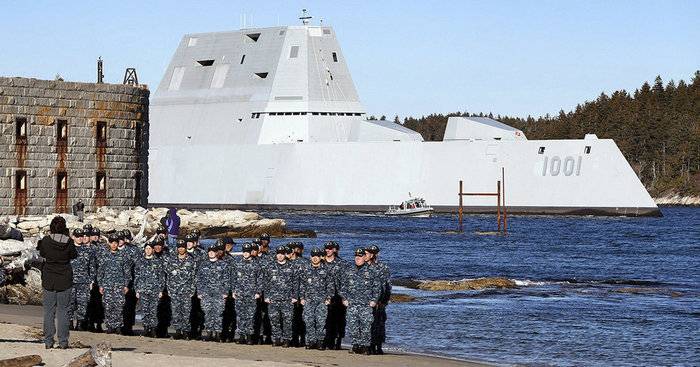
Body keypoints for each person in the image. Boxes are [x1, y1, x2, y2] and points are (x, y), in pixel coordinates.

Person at [37, 216, 78, 349]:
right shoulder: (69, 242)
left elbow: (42, 253)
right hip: (64, 278)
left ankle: (48, 341)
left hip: (49, 278)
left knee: (48, 311)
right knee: (63, 311)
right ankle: (63, 341)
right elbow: (73, 255)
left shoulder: (46, 241)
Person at [341, 248, 380, 355]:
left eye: (360, 256)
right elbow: (343, 286)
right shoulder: (349, 270)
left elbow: (377, 287)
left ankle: (365, 346)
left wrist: (374, 300)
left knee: (365, 326)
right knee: (353, 325)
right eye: (356, 256)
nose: (358, 258)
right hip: (352, 303)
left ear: (365, 257)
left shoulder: (372, 271)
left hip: (366, 304)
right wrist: (344, 298)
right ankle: (355, 345)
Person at [299, 247, 333, 350]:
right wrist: (301, 297)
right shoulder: (305, 269)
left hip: (322, 300)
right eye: (313, 256)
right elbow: (302, 285)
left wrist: (329, 298)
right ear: (310, 257)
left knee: (321, 322)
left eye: (317, 256)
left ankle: (320, 341)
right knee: (308, 321)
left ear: (321, 257)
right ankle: (311, 341)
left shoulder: (326, 270)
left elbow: (330, 285)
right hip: (308, 300)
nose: (315, 258)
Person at [264, 246, 297, 347]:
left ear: (285, 255)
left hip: (287, 299)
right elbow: (266, 282)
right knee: (274, 319)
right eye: (278, 253)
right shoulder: (270, 266)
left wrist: (295, 296)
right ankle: (276, 338)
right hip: (273, 298)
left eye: (282, 254)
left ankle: (287, 339)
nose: (280, 255)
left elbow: (296, 283)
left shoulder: (291, 266)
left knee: (287, 320)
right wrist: (266, 296)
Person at [97, 234, 129, 334]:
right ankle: (110, 326)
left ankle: (118, 326)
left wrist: (126, 285)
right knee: (108, 305)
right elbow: (100, 271)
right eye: (112, 243)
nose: (114, 245)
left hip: (119, 284)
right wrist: (100, 285)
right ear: (109, 243)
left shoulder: (123, 255)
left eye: (116, 243)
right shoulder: (105, 255)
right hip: (107, 284)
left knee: (119, 305)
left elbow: (127, 272)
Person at [196, 244, 229, 341]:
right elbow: (199, 280)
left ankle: (218, 333)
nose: (211, 253)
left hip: (219, 293)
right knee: (208, 312)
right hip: (206, 293)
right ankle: (209, 332)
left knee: (218, 313)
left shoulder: (223, 265)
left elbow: (226, 280)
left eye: (213, 251)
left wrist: (225, 292)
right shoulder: (203, 265)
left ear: (216, 253)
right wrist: (200, 292)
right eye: (209, 251)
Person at [165, 239, 197, 340]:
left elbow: (194, 277)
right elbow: (169, 276)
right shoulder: (172, 260)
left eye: (183, 247)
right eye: (179, 247)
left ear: (185, 248)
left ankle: (186, 332)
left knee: (186, 312)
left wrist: (192, 290)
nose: (181, 249)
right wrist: (169, 289)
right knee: (176, 311)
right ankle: (178, 331)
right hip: (174, 290)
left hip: (187, 291)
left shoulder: (191, 260)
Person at [134, 242, 165, 337]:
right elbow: (137, 276)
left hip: (155, 290)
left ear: (153, 250)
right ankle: (146, 328)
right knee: (145, 310)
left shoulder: (158, 261)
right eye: (146, 248)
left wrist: (161, 290)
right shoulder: (140, 261)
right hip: (143, 289)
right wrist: (137, 290)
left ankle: (153, 329)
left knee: (154, 311)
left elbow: (161, 277)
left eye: (149, 248)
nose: (148, 250)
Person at [233, 243, 260, 345]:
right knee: (240, 315)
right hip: (240, 293)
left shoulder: (256, 264)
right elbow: (234, 278)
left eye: (247, 252)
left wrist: (258, 292)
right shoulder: (238, 263)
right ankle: (241, 335)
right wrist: (234, 291)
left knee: (250, 315)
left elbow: (260, 279)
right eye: (244, 251)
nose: (245, 253)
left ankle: (249, 336)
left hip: (251, 293)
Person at [366, 245, 391, 354]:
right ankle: (369, 345)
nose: (369, 255)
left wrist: (384, 301)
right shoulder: (364, 267)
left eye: (372, 253)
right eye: (368, 253)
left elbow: (387, 285)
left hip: (380, 301)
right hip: (367, 300)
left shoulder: (383, 267)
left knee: (379, 324)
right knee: (368, 323)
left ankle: (378, 345)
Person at [323, 241, 347, 350]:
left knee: (339, 320)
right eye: (326, 248)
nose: (327, 250)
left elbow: (346, 281)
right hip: (323, 295)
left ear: (335, 250)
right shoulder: (321, 262)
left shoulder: (342, 264)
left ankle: (338, 341)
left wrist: (344, 297)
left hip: (338, 296)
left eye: (330, 248)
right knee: (325, 319)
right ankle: (327, 341)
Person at [68, 228, 94, 331]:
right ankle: (69, 323)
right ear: (73, 237)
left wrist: (91, 280)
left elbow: (92, 267)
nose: (80, 238)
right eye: (77, 236)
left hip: (84, 281)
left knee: (83, 303)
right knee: (70, 303)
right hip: (70, 280)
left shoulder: (88, 250)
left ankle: (80, 323)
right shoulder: (68, 249)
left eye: (81, 236)